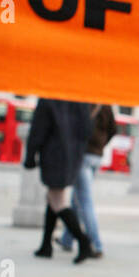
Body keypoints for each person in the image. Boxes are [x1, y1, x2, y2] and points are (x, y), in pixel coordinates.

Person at [23, 98, 94, 263]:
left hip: (53, 154)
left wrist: (30, 156)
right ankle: (46, 245)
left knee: (57, 200)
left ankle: (84, 241)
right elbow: (88, 130)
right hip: (74, 155)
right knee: (52, 197)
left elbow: (38, 130)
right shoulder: (79, 99)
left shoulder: (49, 98)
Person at [57, 103, 116, 259]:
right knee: (77, 199)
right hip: (97, 156)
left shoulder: (82, 103)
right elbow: (113, 129)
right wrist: (102, 144)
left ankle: (96, 244)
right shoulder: (105, 104)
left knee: (84, 200)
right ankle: (67, 239)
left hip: (82, 154)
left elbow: (72, 128)